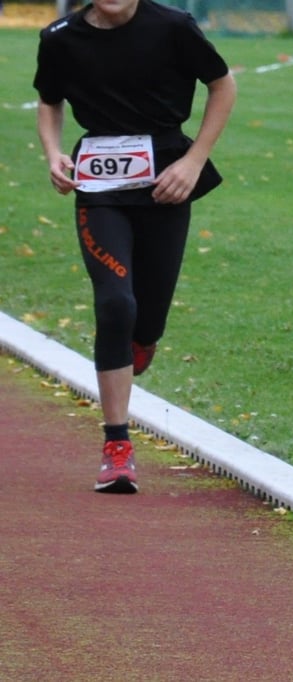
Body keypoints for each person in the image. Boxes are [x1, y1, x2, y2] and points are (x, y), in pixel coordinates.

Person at [34, 0, 236, 494]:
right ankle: (117, 446)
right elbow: (49, 101)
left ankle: (141, 341)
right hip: (99, 187)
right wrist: (53, 153)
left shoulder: (173, 27)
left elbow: (222, 84)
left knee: (146, 321)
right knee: (115, 305)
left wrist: (193, 161)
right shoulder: (60, 38)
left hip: (167, 181)